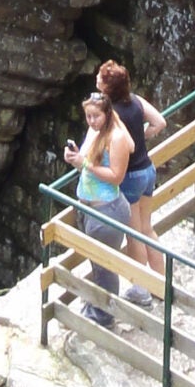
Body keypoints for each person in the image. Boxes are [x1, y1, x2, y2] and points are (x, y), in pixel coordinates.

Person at [63, 90, 132, 328]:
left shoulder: (117, 138)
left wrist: (85, 164)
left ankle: (104, 316)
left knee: (105, 267)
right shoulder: (95, 133)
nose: (91, 121)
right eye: (88, 116)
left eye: (96, 116)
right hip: (87, 208)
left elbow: (116, 176)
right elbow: (85, 163)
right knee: (95, 263)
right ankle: (96, 304)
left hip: (107, 211)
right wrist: (75, 159)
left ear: (107, 113)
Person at [98, 59, 167, 294]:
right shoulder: (136, 100)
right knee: (147, 228)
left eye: (100, 78)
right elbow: (160, 122)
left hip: (130, 177)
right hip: (148, 170)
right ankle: (161, 284)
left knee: (134, 234)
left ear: (107, 88)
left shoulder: (111, 113)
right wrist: (142, 138)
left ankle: (141, 288)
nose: (96, 79)